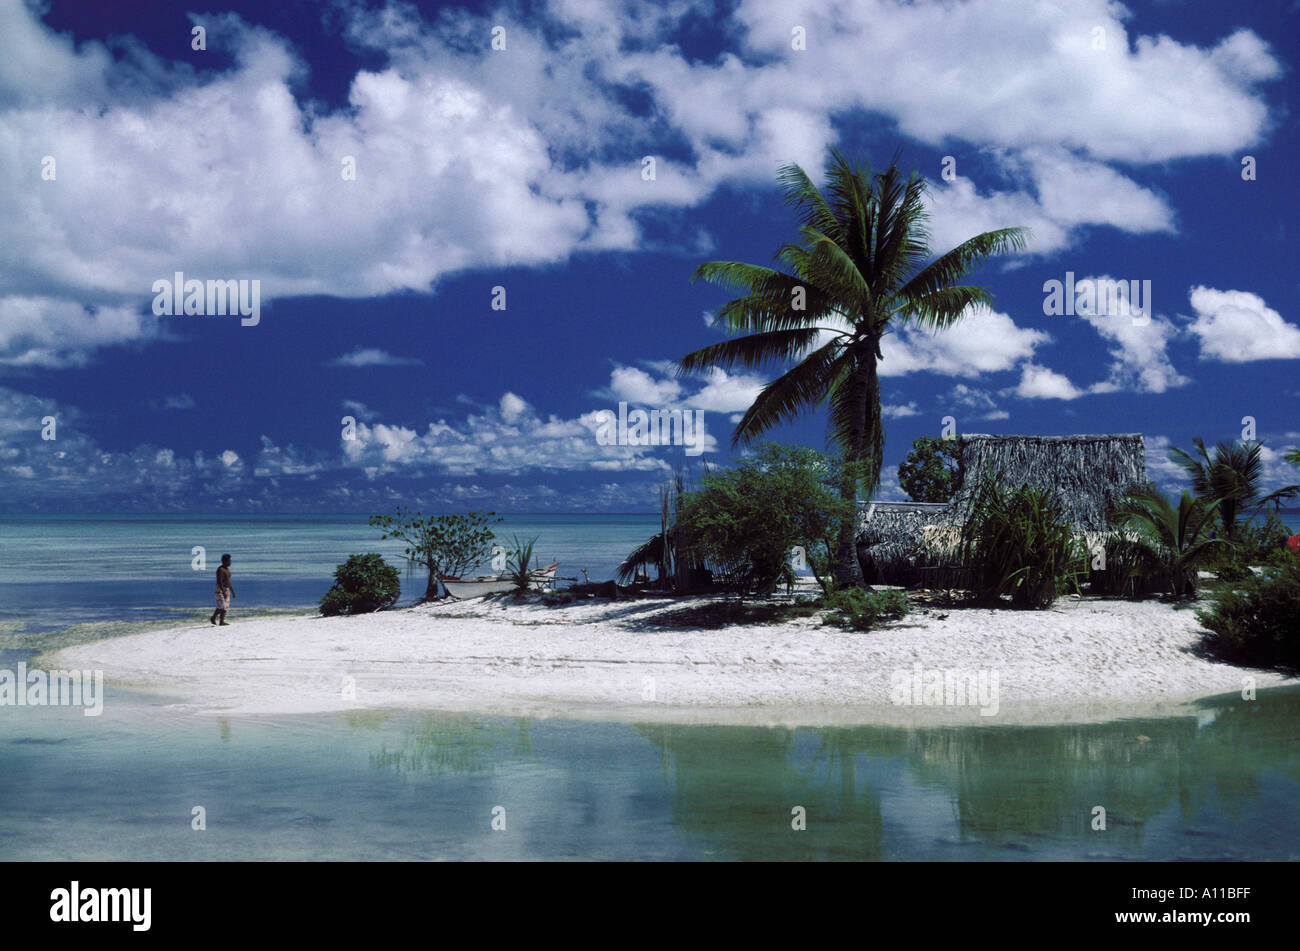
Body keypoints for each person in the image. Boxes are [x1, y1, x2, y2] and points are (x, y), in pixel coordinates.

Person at [210, 554, 235, 625]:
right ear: (224, 561)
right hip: (219, 589)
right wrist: (223, 591)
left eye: (230, 561)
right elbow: (219, 581)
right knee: (222, 606)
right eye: (228, 561)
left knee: (225, 606)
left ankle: (221, 621)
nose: (230, 562)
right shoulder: (220, 570)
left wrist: (232, 591)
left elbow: (228, 581)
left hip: (226, 589)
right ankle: (213, 617)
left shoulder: (227, 570)